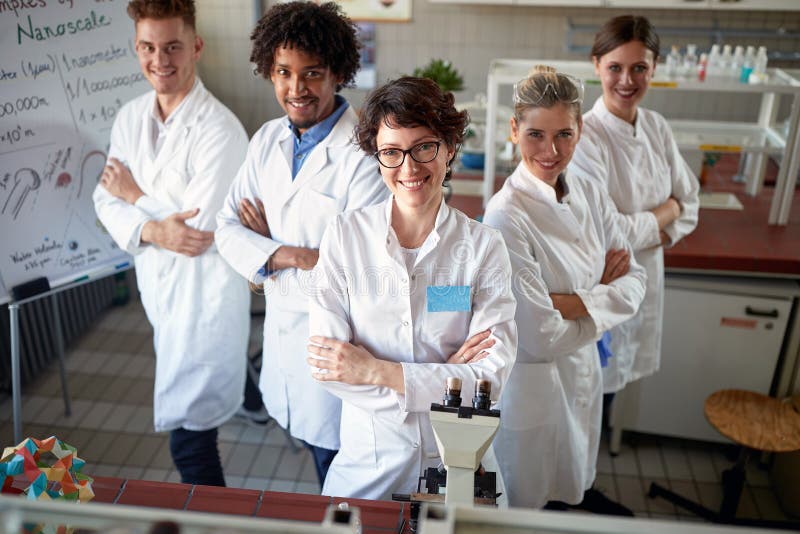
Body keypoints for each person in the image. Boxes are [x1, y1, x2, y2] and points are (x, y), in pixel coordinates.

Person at [305, 77, 518, 501]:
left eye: (424, 147)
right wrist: (449, 379)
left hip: (460, 463)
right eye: (391, 152)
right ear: (378, 157)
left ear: (450, 147)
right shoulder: (345, 237)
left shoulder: (483, 248)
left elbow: (489, 379)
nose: (409, 168)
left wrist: (376, 371)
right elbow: (327, 365)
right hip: (370, 467)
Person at [215, 1, 388, 486]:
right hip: (284, 348)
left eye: (311, 73)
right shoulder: (266, 140)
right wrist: (286, 253)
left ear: (337, 73)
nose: (296, 89)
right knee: (317, 467)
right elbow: (226, 227)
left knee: (343, 478)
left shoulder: (364, 156)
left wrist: (263, 265)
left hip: (341, 351)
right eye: (283, 73)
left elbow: (358, 274)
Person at [93, 0, 249, 486]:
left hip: (206, 297)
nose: (160, 60)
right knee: (196, 426)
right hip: (162, 290)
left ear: (196, 47)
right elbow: (105, 197)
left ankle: (212, 520)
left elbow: (195, 235)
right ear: (135, 48)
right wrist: (154, 226)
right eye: (148, 47)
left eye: (173, 47)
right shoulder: (129, 117)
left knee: (190, 441)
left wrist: (135, 195)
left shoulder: (219, 129)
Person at [483, 66, 646, 511]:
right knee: (529, 504)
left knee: (574, 483)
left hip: (582, 372)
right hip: (534, 385)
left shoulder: (590, 190)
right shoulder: (505, 216)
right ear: (514, 129)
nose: (550, 151)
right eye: (536, 134)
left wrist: (573, 304)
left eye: (564, 135)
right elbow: (540, 336)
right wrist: (602, 297)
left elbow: (637, 280)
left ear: (579, 132)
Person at [571, 15, 699, 419]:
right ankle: (584, 483)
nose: (627, 80)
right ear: (596, 66)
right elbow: (610, 232)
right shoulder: (585, 136)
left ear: (654, 68)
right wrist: (667, 211)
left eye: (639, 68)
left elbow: (691, 201)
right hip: (604, 283)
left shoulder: (657, 127)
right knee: (591, 396)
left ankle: (590, 481)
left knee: (614, 390)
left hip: (645, 280)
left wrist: (664, 222)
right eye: (615, 68)